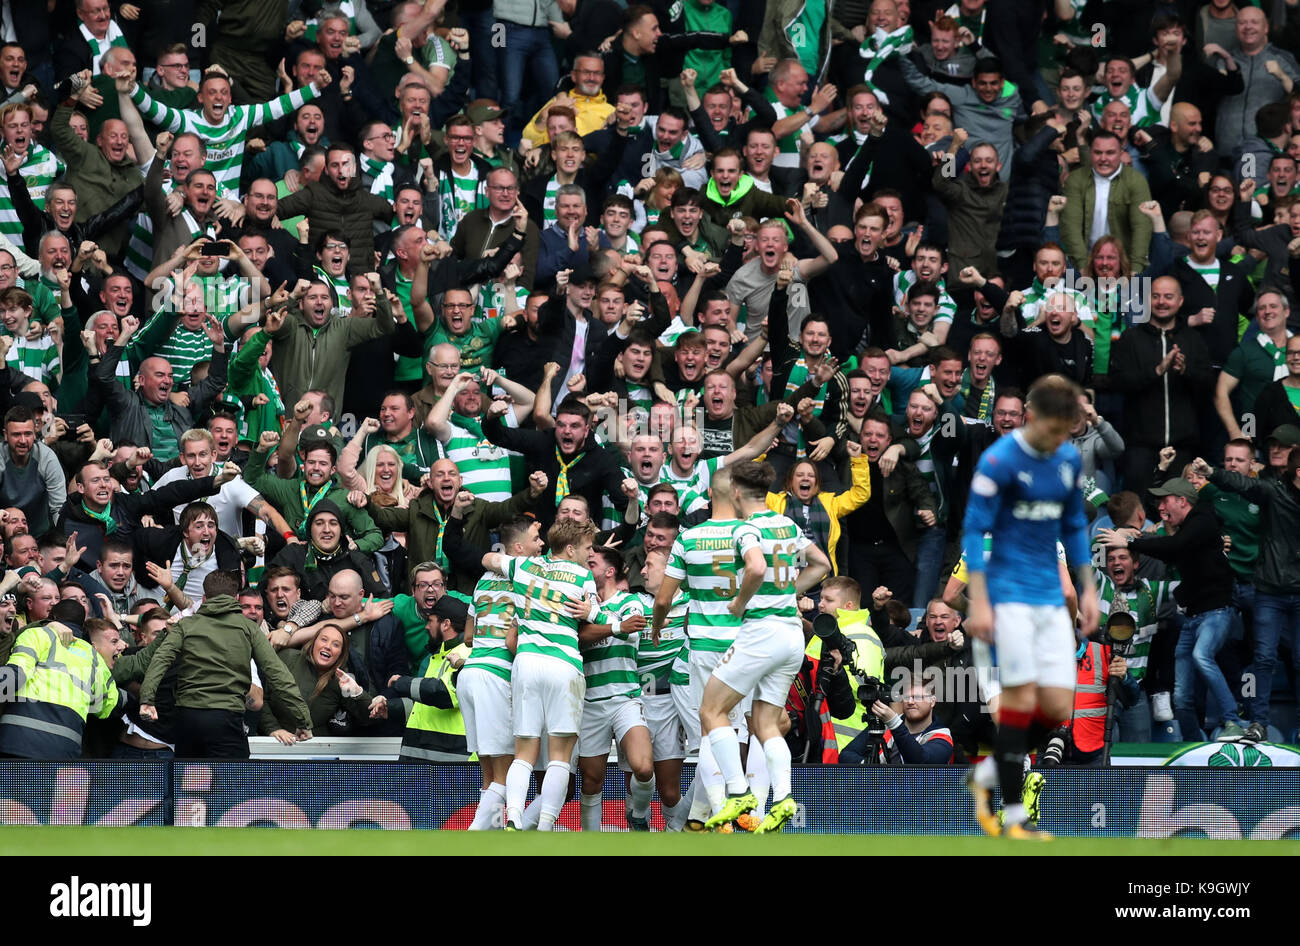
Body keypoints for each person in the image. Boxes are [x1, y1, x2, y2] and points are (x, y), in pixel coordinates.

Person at [962, 374, 1099, 840]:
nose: (1061, 439)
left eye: (1067, 430)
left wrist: (1088, 591)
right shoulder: (998, 461)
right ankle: (1014, 813)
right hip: (1007, 602)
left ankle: (989, 773)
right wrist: (979, 602)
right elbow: (972, 532)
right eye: (1054, 428)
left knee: (1058, 708)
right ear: (1031, 418)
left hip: (1048, 600)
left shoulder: (1066, 457)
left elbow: (1076, 525)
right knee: (1013, 706)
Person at [700, 460, 831, 833]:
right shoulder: (787, 524)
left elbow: (756, 568)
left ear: (737, 493)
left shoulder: (746, 528)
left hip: (761, 633)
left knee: (711, 711)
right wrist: (790, 591)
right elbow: (821, 563)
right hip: (792, 634)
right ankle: (785, 799)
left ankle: (739, 793)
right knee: (764, 722)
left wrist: (740, 603)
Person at [482, 516, 600, 831]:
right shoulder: (582, 575)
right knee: (560, 755)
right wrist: (591, 612)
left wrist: (507, 558)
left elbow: (488, 558)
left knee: (524, 751)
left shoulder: (523, 567)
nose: (590, 554)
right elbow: (595, 614)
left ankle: (514, 817)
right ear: (572, 548)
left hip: (527, 663)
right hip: (563, 664)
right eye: (587, 547)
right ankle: (546, 824)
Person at [139, 570, 313, 759]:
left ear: (205, 598)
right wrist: (303, 720)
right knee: (231, 785)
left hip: (188, 719)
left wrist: (147, 700)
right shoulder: (248, 628)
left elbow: (160, 660)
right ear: (236, 597)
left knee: (191, 785)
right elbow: (278, 673)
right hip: (226, 719)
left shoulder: (185, 625)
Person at [458, 518, 540, 830]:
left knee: (489, 775)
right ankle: (476, 836)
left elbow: (468, 635)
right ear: (518, 548)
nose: (540, 545)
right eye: (535, 540)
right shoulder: (526, 580)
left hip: (471, 671)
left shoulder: (482, 579)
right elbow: (514, 641)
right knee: (504, 773)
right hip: (496, 674)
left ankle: (489, 834)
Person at [0, 599, 118, 758]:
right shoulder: (94, 657)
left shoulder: (36, 634)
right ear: (82, 627)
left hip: (17, 741)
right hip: (64, 749)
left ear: (51, 617)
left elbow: (14, 676)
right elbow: (105, 707)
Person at [258, 623, 375, 740]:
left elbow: (369, 717)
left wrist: (357, 693)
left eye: (336, 645)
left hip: (314, 748)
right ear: (314, 642)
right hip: (273, 742)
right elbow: (260, 696)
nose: (328, 646)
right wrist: (273, 729)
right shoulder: (287, 657)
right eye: (324, 640)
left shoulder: (342, 680)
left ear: (340, 654)